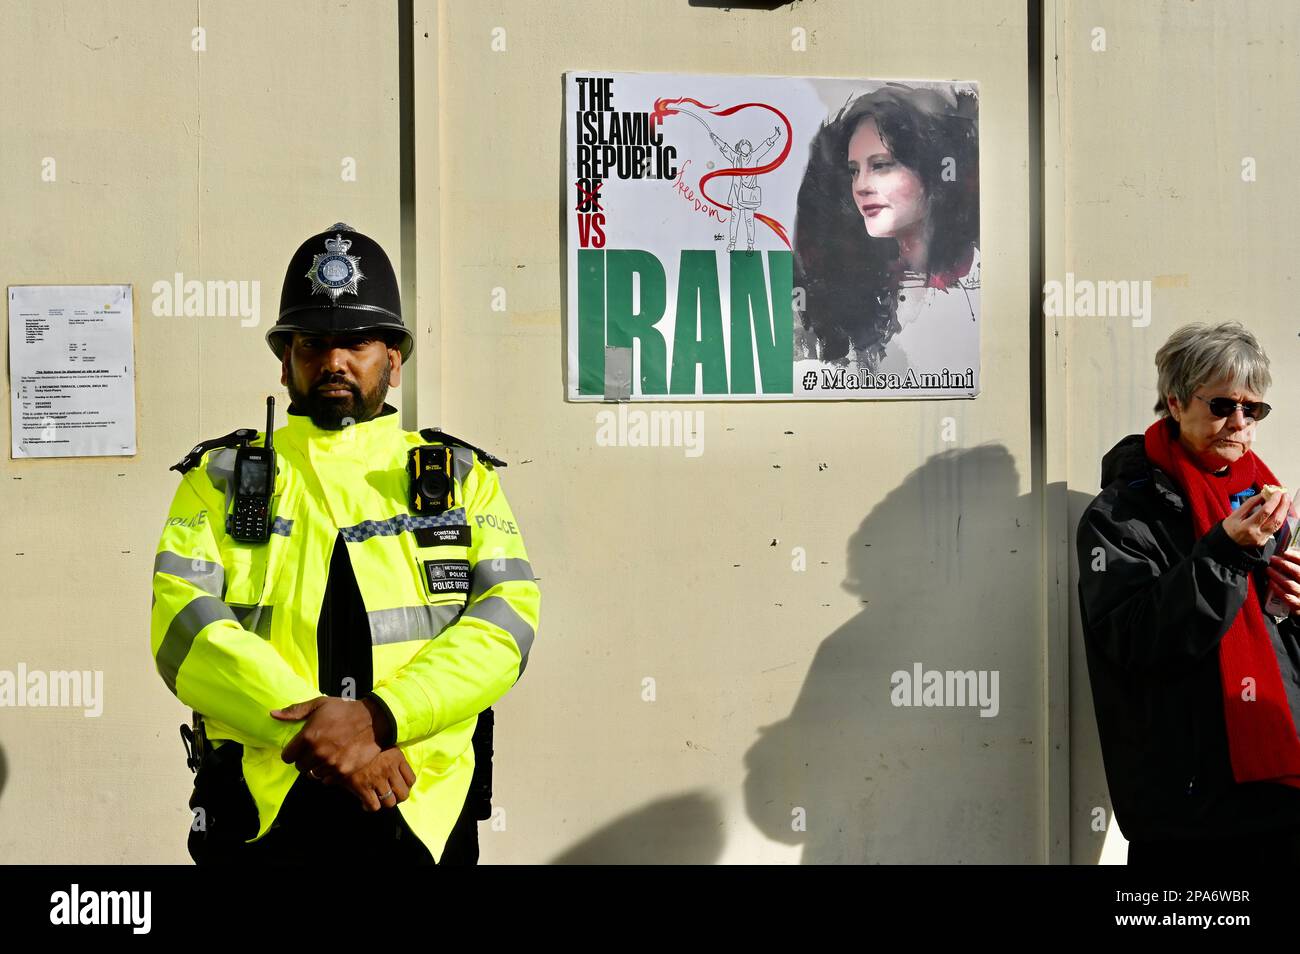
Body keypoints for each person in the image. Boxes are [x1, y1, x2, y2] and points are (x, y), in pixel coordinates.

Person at [150, 223, 540, 865]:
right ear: (286, 360)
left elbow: (506, 625)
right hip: (263, 804)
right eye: (314, 343)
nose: (334, 361)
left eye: (356, 342)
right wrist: (329, 737)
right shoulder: (219, 480)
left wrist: (379, 719)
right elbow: (183, 627)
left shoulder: (460, 478)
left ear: (394, 358)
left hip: (414, 801)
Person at [1076, 321, 1300, 864]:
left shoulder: (1264, 500)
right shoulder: (1122, 515)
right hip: (1191, 808)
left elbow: (1278, 643)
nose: (1239, 423)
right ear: (1175, 403)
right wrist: (1224, 549)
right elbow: (1135, 642)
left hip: (1284, 788)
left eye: (1254, 409)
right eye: (1223, 404)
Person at [792, 83, 979, 380]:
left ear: (930, 171)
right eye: (855, 170)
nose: (861, 185)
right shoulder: (851, 286)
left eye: (880, 166)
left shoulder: (972, 280)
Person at [708, 124, 782, 254]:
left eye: (747, 145)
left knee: (749, 221)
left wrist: (775, 136)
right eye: (743, 145)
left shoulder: (754, 156)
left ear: (749, 148)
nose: (745, 146)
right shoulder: (735, 157)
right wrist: (715, 138)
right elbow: (725, 148)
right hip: (736, 196)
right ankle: (732, 244)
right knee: (734, 220)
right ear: (740, 149)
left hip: (749, 196)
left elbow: (765, 146)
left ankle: (750, 245)